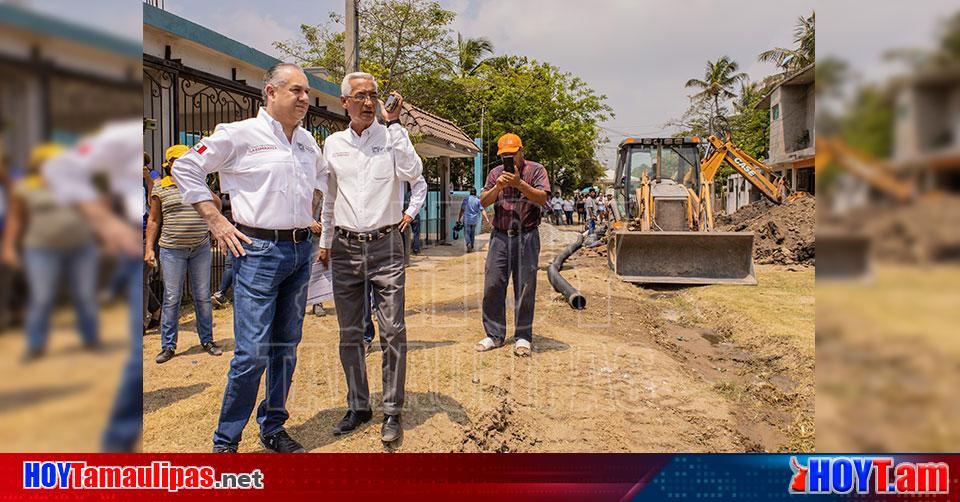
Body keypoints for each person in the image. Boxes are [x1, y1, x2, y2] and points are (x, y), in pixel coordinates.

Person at [173, 63, 325, 454]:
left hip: (299, 252)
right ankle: (226, 441)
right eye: (296, 91)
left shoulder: (308, 142)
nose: (305, 99)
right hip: (256, 252)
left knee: (286, 347)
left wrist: (316, 216)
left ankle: (273, 427)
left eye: (306, 92)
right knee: (253, 352)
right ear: (270, 92)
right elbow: (185, 167)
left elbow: (323, 180)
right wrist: (216, 220)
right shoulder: (239, 135)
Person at [317, 72, 426, 444]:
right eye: (360, 96)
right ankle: (359, 405)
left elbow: (414, 174)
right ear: (344, 101)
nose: (368, 102)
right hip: (345, 248)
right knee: (349, 333)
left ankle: (392, 410)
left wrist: (395, 125)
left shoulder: (392, 137)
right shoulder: (333, 144)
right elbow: (329, 199)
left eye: (373, 95)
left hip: (386, 245)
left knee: (393, 329)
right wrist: (325, 242)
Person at [1, 144, 100, 362]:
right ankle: (36, 345)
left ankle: (91, 339)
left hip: (81, 248)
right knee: (42, 296)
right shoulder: (25, 188)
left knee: (84, 295)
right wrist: (9, 247)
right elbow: (15, 220)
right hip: (41, 249)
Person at [145, 145, 222, 364]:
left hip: (200, 248)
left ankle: (207, 340)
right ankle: (168, 345)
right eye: (177, 161)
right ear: (168, 165)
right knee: (172, 297)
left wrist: (203, 186)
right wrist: (149, 248)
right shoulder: (160, 189)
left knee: (203, 296)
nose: (181, 164)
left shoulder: (197, 184)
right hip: (172, 250)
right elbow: (154, 220)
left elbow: (215, 206)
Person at [475, 133, 550, 357]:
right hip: (500, 236)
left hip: (526, 235)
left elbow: (542, 198)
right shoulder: (495, 173)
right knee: (493, 284)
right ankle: (494, 334)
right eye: (504, 155)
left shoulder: (536, 170)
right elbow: (484, 202)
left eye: (512, 154)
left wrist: (519, 183)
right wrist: (497, 188)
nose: (509, 158)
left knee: (525, 286)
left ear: (521, 151)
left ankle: (523, 337)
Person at [211, 192, 235, 309]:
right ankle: (226, 293)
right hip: (224, 231)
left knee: (230, 264)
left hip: (238, 230)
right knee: (231, 263)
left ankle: (221, 293)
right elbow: (216, 212)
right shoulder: (222, 195)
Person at [458, 187, 483, 252]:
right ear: (475, 193)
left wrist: (459, 219)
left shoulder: (466, 199)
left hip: (467, 220)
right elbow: (481, 210)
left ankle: (468, 243)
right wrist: (486, 218)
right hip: (474, 220)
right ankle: (471, 246)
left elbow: (462, 210)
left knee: (466, 233)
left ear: (470, 193)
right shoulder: (478, 200)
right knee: (472, 233)